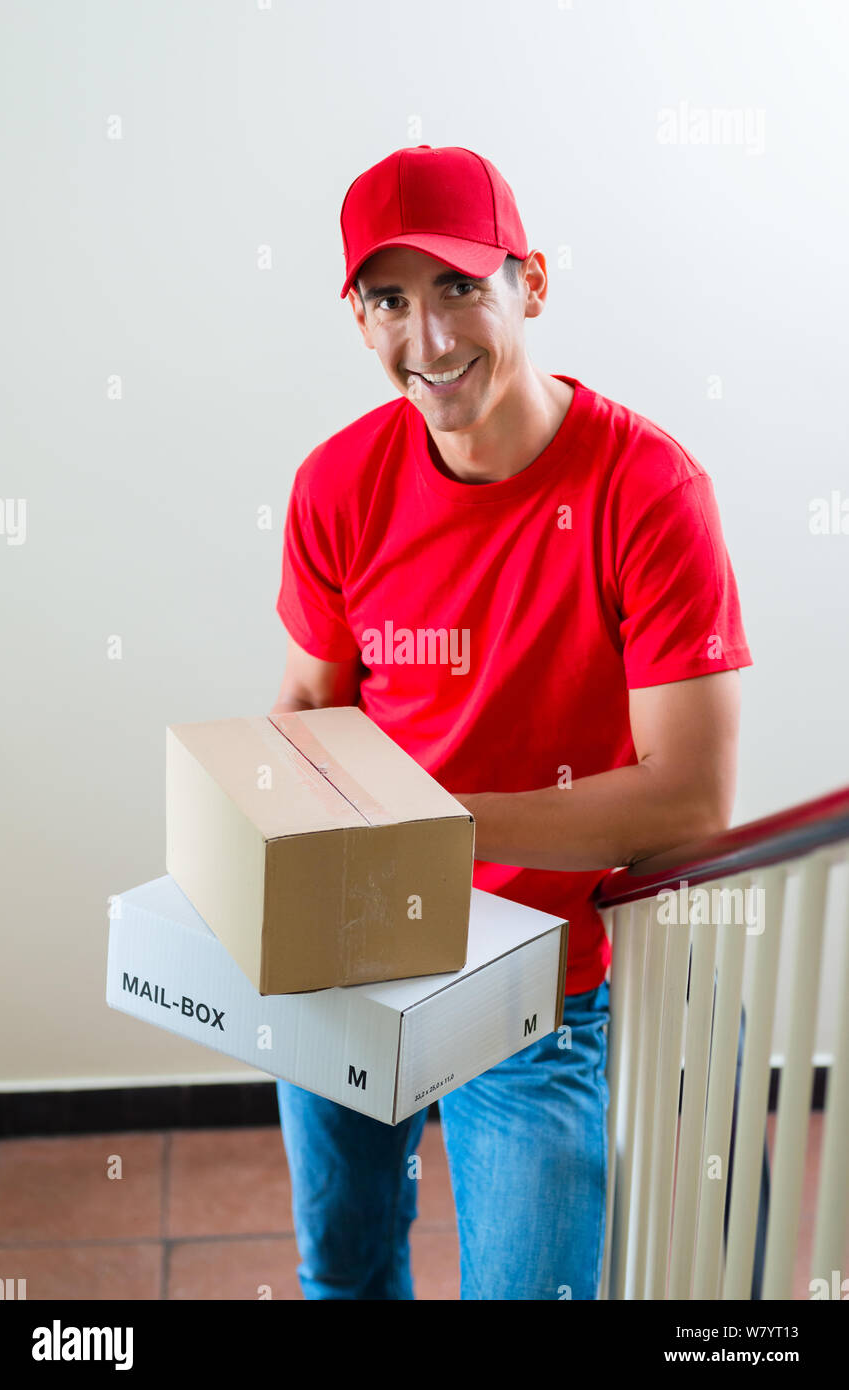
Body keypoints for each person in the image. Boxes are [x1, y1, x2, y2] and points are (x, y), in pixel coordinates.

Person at [270, 144, 753, 1300]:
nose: (428, 341)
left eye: (458, 289)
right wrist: (257, 818)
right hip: (352, 944)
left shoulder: (648, 490)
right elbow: (306, 703)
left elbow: (689, 794)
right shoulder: (335, 484)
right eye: (389, 299)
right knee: (342, 1270)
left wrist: (426, 823)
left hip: (539, 981)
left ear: (530, 282)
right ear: (356, 315)